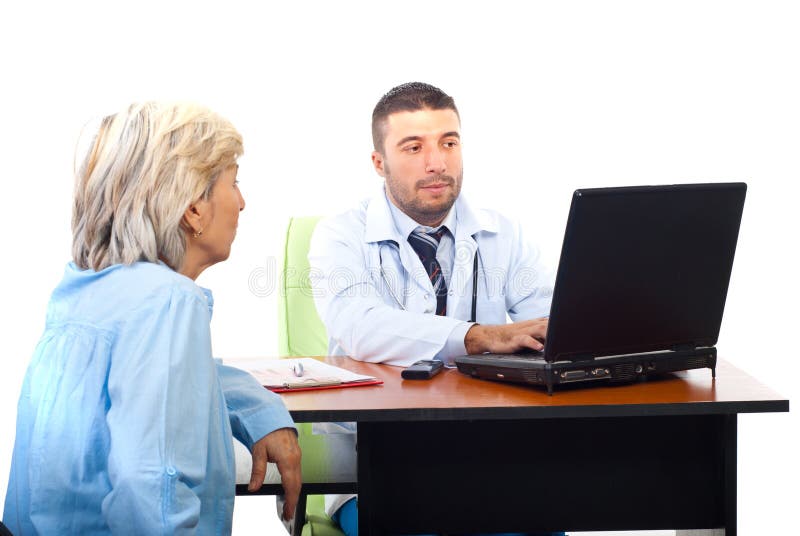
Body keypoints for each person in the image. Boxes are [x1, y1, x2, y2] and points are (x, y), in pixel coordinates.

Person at [3, 102, 301, 535]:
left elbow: (162, 383)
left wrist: (260, 410)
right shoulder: (169, 302)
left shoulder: (88, 290)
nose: (242, 202)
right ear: (193, 209)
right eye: (233, 184)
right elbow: (149, 482)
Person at [308, 83, 562, 535]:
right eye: (414, 147)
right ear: (379, 163)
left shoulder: (502, 233)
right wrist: (478, 337)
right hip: (376, 466)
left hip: (486, 455)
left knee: (551, 515)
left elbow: (551, 326)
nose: (436, 163)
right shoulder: (341, 236)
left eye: (449, 142)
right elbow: (358, 325)